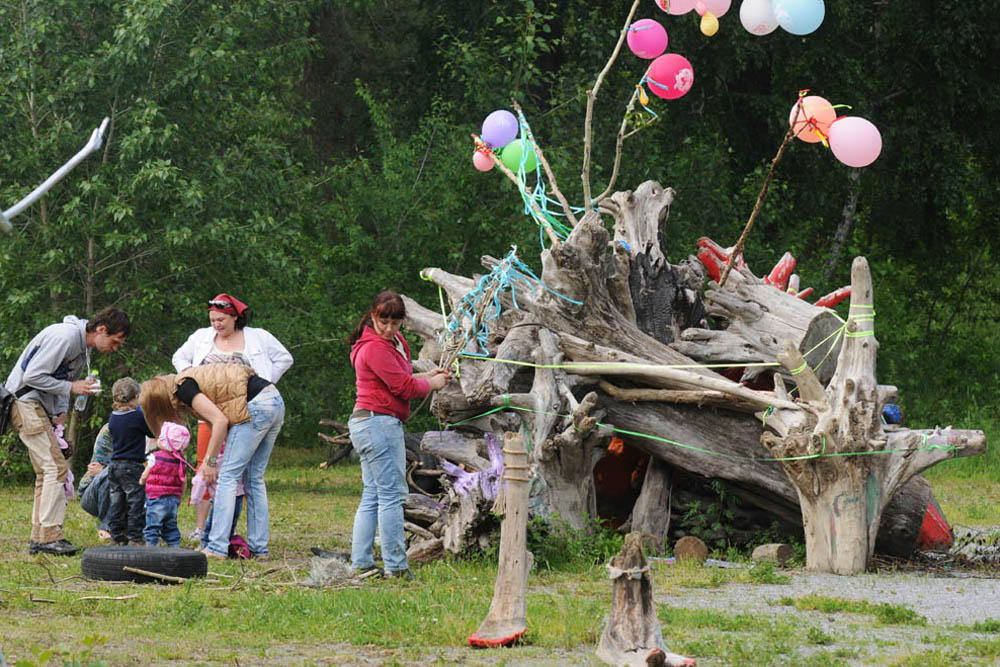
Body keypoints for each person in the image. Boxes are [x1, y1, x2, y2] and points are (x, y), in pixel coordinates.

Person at [4, 307, 130, 556]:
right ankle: (49, 536)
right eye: (115, 341)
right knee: (56, 468)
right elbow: (33, 375)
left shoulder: (83, 348)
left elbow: (61, 383)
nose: (115, 348)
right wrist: (71, 387)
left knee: (47, 471)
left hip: (38, 407)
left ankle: (40, 535)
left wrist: (59, 414)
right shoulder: (65, 337)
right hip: (25, 402)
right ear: (101, 329)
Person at [171, 293, 292, 541]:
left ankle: (219, 541)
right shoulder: (201, 337)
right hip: (212, 414)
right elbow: (179, 357)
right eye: (213, 319)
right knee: (208, 468)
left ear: (235, 317)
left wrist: (264, 383)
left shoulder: (257, 337)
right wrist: (189, 376)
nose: (216, 324)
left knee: (234, 475)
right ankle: (202, 526)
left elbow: (284, 358)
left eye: (222, 320)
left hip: (247, 411)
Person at [345, 291, 449, 580]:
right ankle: (396, 566)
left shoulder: (395, 343)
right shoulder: (374, 348)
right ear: (373, 316)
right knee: (391, 496)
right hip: (377, 424)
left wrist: (429, 377)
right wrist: (434, 384)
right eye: (383, 321)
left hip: (376, 423)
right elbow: (403, 389)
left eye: (395, 322)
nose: (389, 328)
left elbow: (403, 379)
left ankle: (362, 562)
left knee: (374, 494)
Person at [139, 361, 284, 560]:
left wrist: (210, 462)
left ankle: (216, 547)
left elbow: (220, 422)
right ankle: (259, 548)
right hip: (273, 400)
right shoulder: (190, 382)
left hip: (256, 406)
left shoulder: (183, 387)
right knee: (254, 479)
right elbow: (219, 422)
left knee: (227, 477)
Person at [106, 377, 155, 545]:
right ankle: (135, 536)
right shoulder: (137, 416)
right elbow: (152, 433)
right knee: (135, 502)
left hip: (114, 465)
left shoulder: (113, 416)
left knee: (116, 502)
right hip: (132, 465)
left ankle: (116, 535)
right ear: (136, 397)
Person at [140, 421, 192, 547]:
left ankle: (151, 550)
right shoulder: (181, 461)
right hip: (173, 500)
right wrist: (180, 496)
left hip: (156, 498)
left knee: (152, 527)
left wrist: (141, 481)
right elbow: (183, 481)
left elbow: (145, 474)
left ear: (164, 442)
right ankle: (175, 548)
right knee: (171, 528)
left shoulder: (154, 457)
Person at [77, 423, 113, 541]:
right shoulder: (110, 430)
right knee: (109, 474)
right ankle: (105, 528)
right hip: (94, 496)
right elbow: (96, 468)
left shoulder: (161, 435)